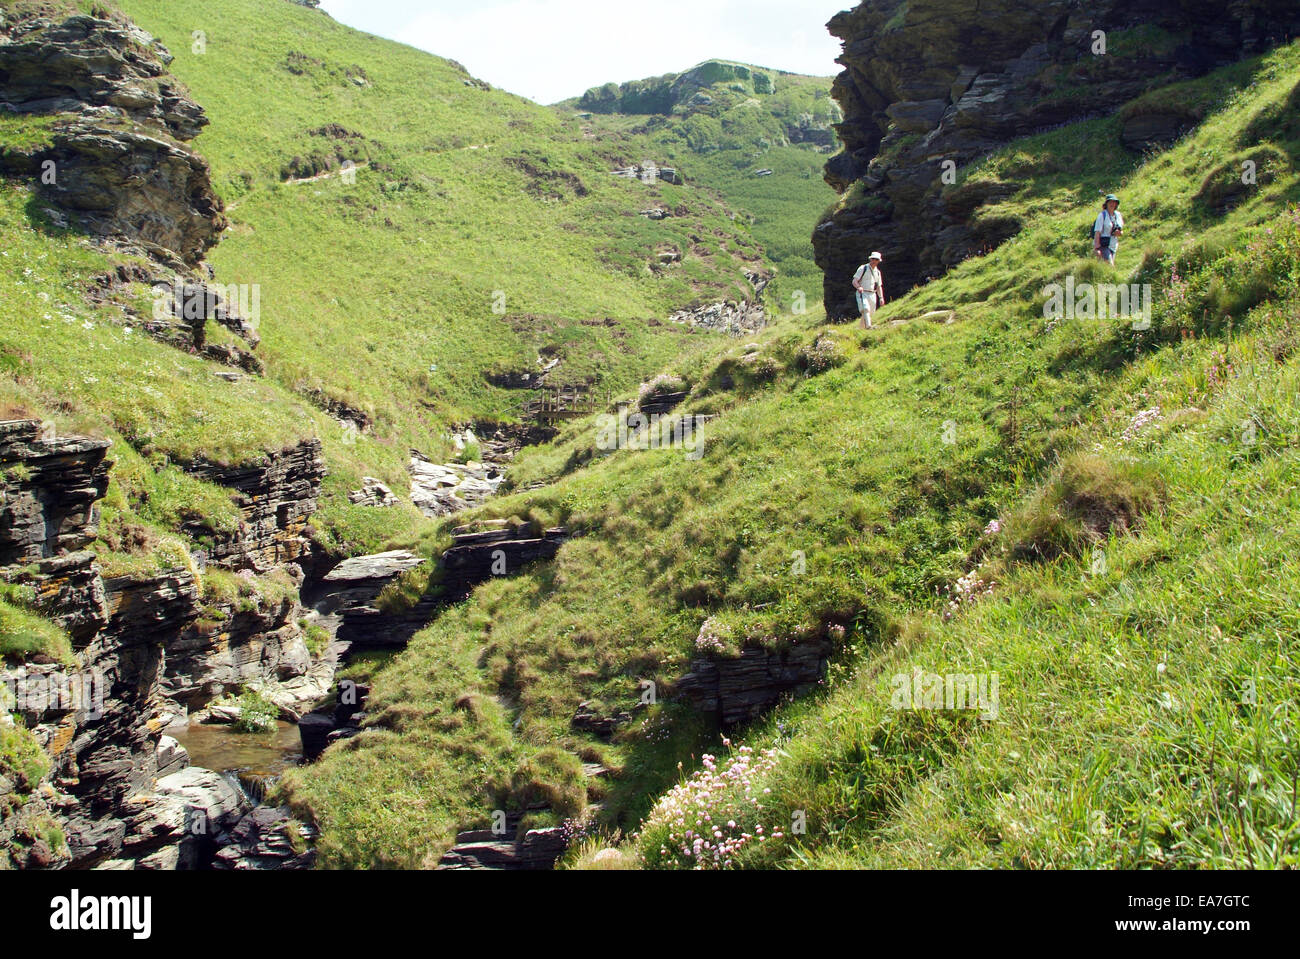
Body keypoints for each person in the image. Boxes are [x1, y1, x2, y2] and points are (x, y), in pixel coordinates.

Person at [853, 252, 885, 329]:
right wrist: (859, 287)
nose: (874, 261)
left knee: (870, 313)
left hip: (872, 294)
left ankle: (861, 329)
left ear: (878, 261)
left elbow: (878, 286)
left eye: (876, 259)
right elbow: (854, 281)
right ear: (870, 259)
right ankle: (869, 327)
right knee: (865, 309)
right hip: (863, 292)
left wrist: (881, 297)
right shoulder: (863, 268)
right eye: (873, 259)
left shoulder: (877, 272)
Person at [1093, 194, 1125, 265]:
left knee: (1107, 266)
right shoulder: (1102, 215)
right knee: (1110, 265)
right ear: (1106, 204)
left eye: (1114, 202)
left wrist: (1120, 233)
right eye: (1110, 202)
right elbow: (1097, 232)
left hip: (1113, 245)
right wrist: (1097, 248)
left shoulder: (1118, 215)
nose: (1112, 204)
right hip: (1103, 244)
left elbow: (1121, 230)